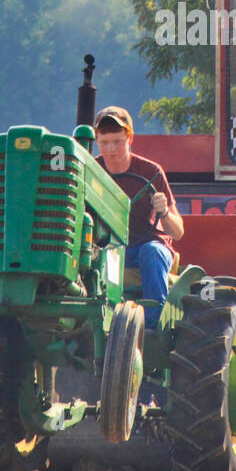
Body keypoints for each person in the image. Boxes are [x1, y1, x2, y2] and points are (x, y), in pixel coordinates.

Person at [93, 105, 184, 325]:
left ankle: (153, 327)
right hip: (110, 249)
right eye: (104, 143)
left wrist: (164, 212)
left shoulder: (151, 171)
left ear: (130, 138)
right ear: (96, 140)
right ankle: (93, 325)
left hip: (146, 248)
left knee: (151, 252)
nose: (111, 149)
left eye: (117, 142)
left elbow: (178, 231)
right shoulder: (92, 171)